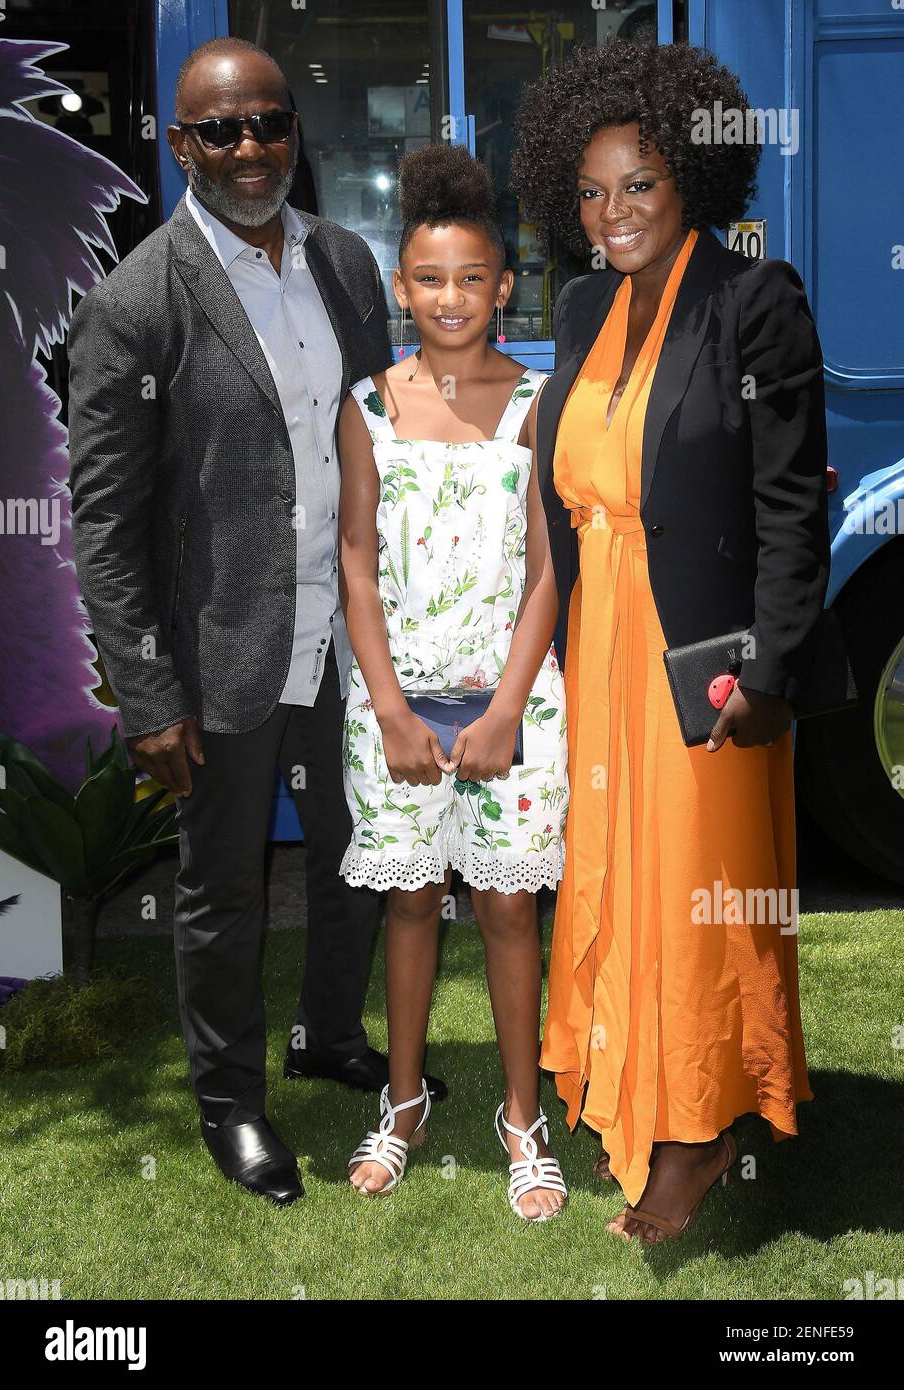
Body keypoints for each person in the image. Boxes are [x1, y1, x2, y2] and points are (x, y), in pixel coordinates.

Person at [68, 37, 443, 1208]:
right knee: (222, 889)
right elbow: (108, 521)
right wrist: (148, 694)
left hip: (348, 639)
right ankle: (230, 1102)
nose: (247, 149)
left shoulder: (344, 264)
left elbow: (382, 447)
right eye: (219, 131)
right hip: (216, 652)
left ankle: (327, 1034)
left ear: (294, 134)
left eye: (268, 125)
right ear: (181, 144)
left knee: (353, 861)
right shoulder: (137, 299)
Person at [511, 37, 830, 1242]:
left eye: (638, 182)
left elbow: (793, 504)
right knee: (616, 878)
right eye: (590, 191)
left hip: (708, 661)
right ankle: (624, 1086)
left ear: (690, 176)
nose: (614, 211)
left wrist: (770, 665)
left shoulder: (756, 300)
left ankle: (700, 1126)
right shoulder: (585, 306)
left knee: (698, 894)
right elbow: (564, 486)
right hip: (604, 647)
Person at [337, 144, 569, 1221]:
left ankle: (523, 1119)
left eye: (472, 278)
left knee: (513, 907)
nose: (450, 298)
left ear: (505, 283)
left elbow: (546, 565)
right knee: (413, 901)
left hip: (509, 705)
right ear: (401, 285)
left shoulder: (536, 404)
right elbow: (352, 560)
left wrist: (508, 707)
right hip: (399, 709)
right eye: (429, 278)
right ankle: (404, 1101)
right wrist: (387, 707)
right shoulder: (370, 406)